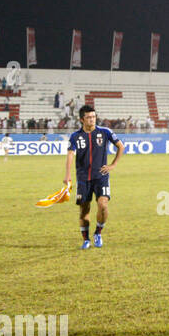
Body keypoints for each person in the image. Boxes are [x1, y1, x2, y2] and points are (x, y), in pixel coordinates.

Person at [64, 106, 123, 249]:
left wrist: (113, 165)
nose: (92, 119)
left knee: (103, 205)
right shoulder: (75, 136)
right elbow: (71, 154)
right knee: (84, 210)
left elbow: (120, 146)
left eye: (94, 116)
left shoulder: (104, 132)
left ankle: (98, 232)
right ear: (82, 119)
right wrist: (68, 174)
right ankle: (86, 239)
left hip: (101, 176)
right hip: (83, 178)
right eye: (89, 117)